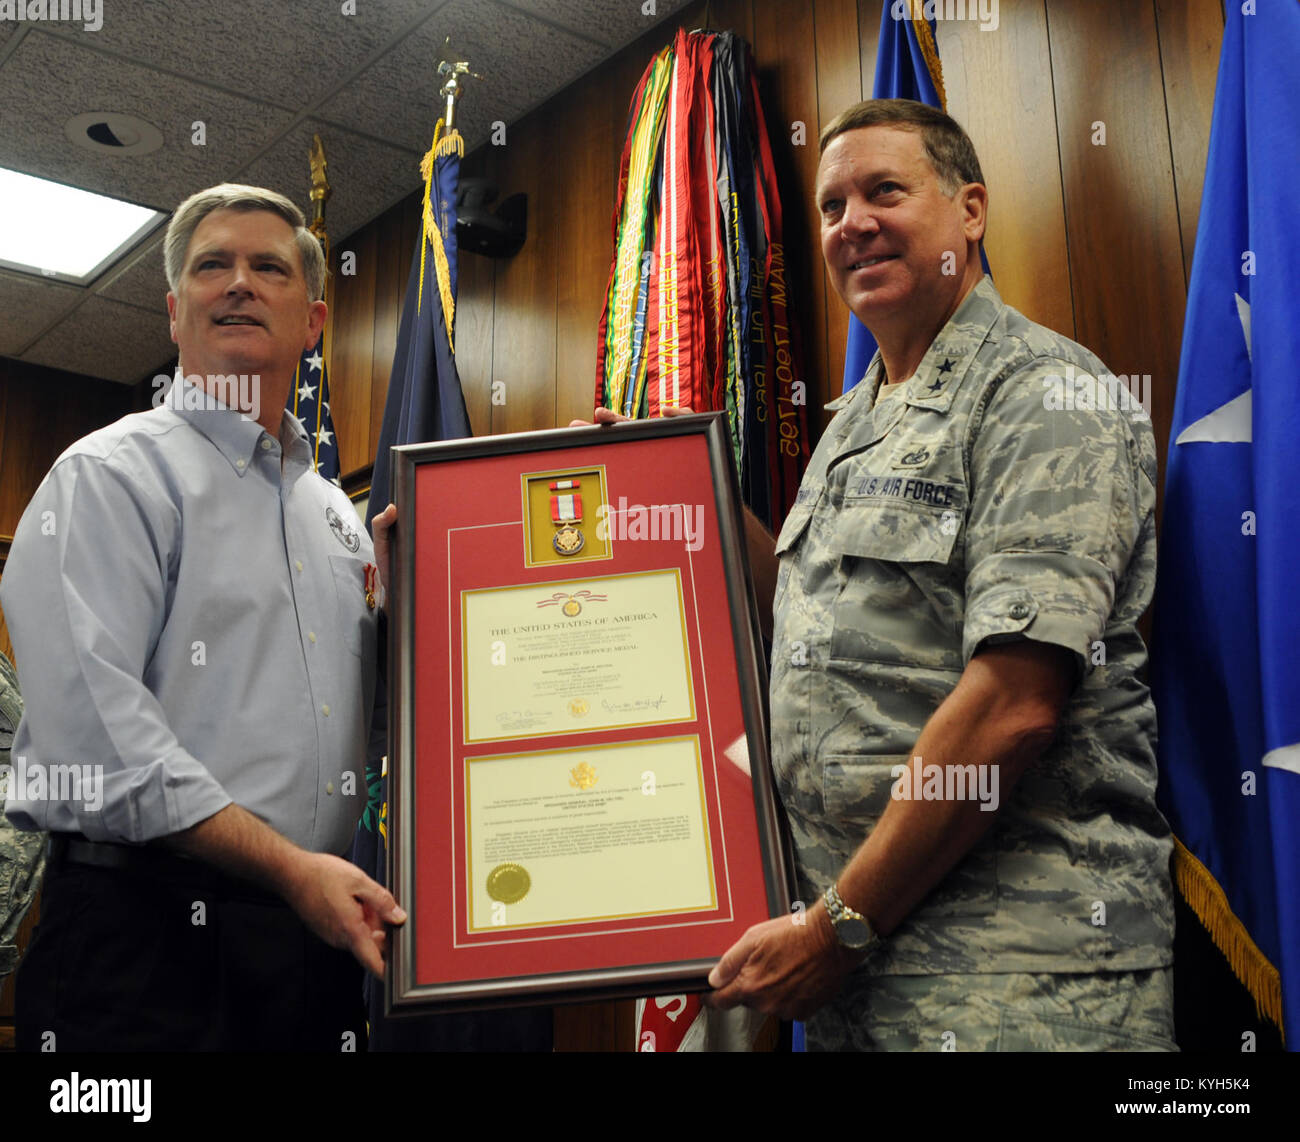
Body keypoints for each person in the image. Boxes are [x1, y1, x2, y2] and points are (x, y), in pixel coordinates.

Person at [703, 100, 1176, 1050]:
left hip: (1017, 972)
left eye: (885, 191)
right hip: (864, 969)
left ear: (971, 210)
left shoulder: (1042, 393)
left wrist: (840, 924)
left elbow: (1014, 705)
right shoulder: (853, 420)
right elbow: (806, 625)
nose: (853, 224)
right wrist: (676, 489)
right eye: (832, 206)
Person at [2, 184, 405, 1051]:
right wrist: (291, 870)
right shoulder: (109, 477)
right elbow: (96, 741)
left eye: (268, 268)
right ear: (175, 314)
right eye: (211, 266)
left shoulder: (335, 517)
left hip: (311, 942)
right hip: (139, 946)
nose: (239, 283)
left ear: (314, 321)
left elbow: (374, 732)